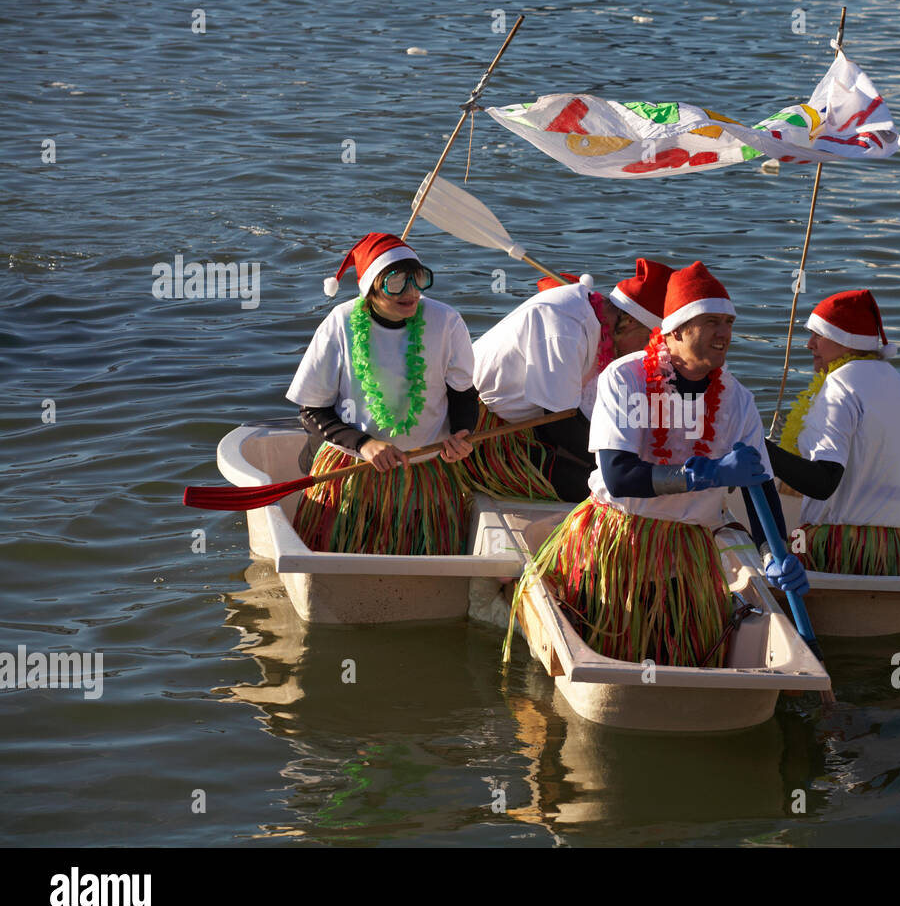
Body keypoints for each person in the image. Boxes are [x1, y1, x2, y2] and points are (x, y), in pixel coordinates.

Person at [518, 261, 809, 668]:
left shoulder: (736, 398)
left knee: (686, 649)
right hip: (620, 539)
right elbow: (619, 477)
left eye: (728, 321)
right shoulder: (626, 377)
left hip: (688, 546)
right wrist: (707, 473)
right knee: (610, 636)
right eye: (710, 322)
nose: (724, 333)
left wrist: (773, 552)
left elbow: (758, 486)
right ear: (673, 331)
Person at [287, 232, 477, 555]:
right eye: (396, 282)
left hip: (425, 470)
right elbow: (311, 411)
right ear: (371, 287)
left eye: (418, 279)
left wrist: (463, 436)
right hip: (353, 470)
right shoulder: (341, 322)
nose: (411, 292)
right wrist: (366, 444)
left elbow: (464, 395)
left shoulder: (446, 322)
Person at [462, 259, 671, 502]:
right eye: (650, 341)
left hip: (530, 422)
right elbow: (559, 424)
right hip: (481, 434)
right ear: (631, 322)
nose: (648, 354)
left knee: (620, 481)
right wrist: (626, 464)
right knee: (605, 490)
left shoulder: (598, 321)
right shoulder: (565, 326)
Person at [765, 289, 900, 576]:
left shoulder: (839, 386)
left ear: (846, 340)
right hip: (896, 550)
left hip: (841, 551)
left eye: (819, 335)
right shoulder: (898, 382)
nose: (809, 344)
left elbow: (822, 482)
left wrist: (755, 446)